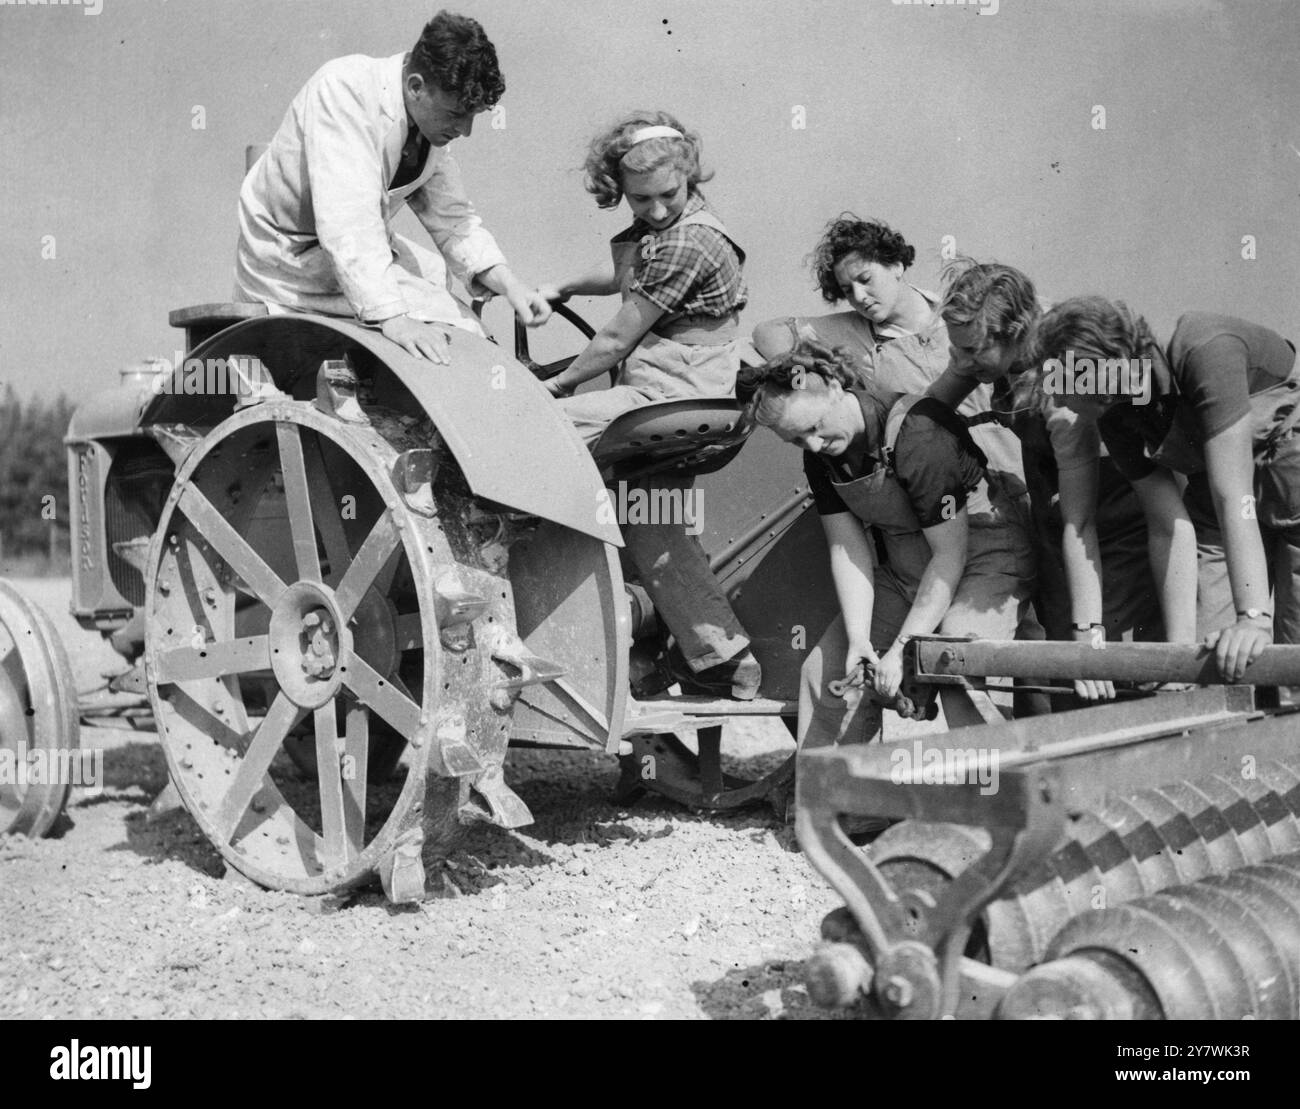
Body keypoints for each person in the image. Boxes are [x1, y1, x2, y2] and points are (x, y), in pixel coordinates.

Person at [536, 112, 759, 698]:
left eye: (668, 195)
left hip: (676, 388)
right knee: (650, 522)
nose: (656, 210)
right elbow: (624, 278)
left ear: (690, 177)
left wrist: (553, 388)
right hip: (673, 383)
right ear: (621, 190)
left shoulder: (691, 240)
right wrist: (563, 287)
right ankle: (722, 657)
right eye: (641, 200)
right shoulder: (666, 233)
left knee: (536, 429)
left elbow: (615, 339)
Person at [740, 340, 1037, 748]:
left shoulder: (918, 434)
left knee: (957, 663)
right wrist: (861, 639)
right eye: (796, 440)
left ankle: (990, 804)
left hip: (983, 556)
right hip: (906, 567)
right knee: (827, 677)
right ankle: (841, 809)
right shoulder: (822, 457)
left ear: (833, 387)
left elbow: (950, 556)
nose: (811, 445)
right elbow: (848, 549)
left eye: (813, 428)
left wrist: (901, 648)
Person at [234, 10, 550, 362]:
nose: (465, 131)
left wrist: (511, 286)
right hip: (288, 261)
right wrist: (394, 319)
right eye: (455, 115)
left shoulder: (428, 124)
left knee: (440, 285)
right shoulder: (344, 89)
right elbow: (348, 222)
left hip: (342, 253)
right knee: (451, 325)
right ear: (416, 86)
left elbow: (455, 222)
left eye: (472, 117)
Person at [925, 260, 1164, 701]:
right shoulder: (987, 351)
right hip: (1055, 521)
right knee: (1061, 667)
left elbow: (1083, 523)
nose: (960, 362)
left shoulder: (1064, 391)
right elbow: (927, 413)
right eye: (956, 349)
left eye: (972, 351)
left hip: (1110, 526)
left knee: (1105, 665)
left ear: (1015, 331)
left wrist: (1090, 634)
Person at [1030, 299, 1300, 682]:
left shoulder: (1204, 348)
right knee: (1209, 663)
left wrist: (1253, 619)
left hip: (1289, 489)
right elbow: (1167, 525)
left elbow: (1234, 498)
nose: (1055, 399)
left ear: (1094, 371)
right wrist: (1177, 664)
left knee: (1289, 665)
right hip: (1218, 510)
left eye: (1058, 381)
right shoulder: (1119, 417)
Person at [750, 216, 1024, 490]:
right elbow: (767, 332)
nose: (859, 296)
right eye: (847, 290)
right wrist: (818, 381)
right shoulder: (852, 333)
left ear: (896, 265)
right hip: (950, 478)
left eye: (865, 279)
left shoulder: (960, 311)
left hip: (1016, 459)